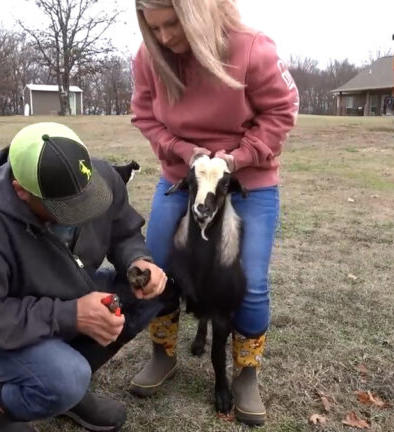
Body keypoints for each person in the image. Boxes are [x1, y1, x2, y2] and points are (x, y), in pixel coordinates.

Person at [129, 0, 299, 425]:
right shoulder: (149, 57)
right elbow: (146, 117)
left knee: (249, 283)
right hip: (182, 178)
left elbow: (280, 112)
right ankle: (163, 352)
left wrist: (239, 158)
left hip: (247, 180)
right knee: (155, 268)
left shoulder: (253, 49)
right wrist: (184, 152)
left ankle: (245, 372)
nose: (164, 37)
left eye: (173, 24)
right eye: (154, 28)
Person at [0, 122, 168, 432]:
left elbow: (122, 230)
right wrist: (70, 315)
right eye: (66, 208)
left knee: (149, 295)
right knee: (64, 379)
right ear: (21, 190)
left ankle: (70, 395)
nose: (82, 214)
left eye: (86, 199)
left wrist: (137, 261)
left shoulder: (96, 176)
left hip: (65, 292)